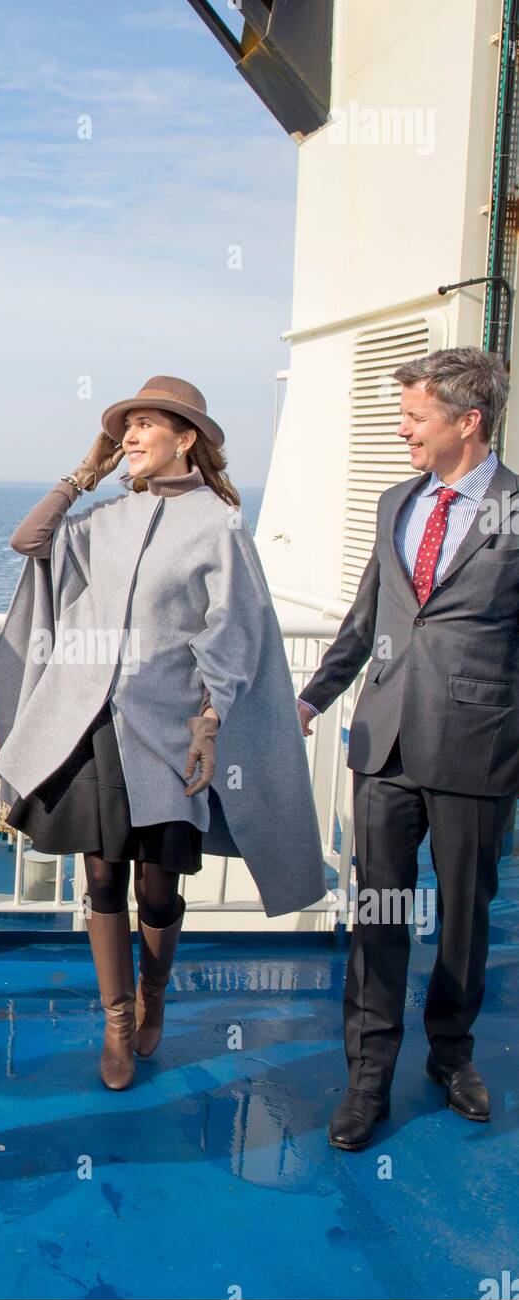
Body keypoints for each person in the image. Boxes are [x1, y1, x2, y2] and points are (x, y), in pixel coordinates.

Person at [0, 376, 326, 1090]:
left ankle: (155, 991)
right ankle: (114, 1020)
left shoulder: (219, 525)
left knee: (159, 888)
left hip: (171, 733)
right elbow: (27, 541)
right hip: (89, 726)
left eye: (146, 427)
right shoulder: (102, 518)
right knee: (102, 876)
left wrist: (208, 723)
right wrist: (84, 473)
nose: (131, 439)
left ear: (186, 439)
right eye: (125, 428)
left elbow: (230, 634)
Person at [297, 347, 514, 1151]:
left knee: (464, 917)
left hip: (478, 749)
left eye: (416, 418)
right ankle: (367, 1078)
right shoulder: (396, 501)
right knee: (379, 914)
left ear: (468, 421)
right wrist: (311, 696)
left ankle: (452, 1056)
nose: (403, 431)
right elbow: (369, 616)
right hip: (382, 743)